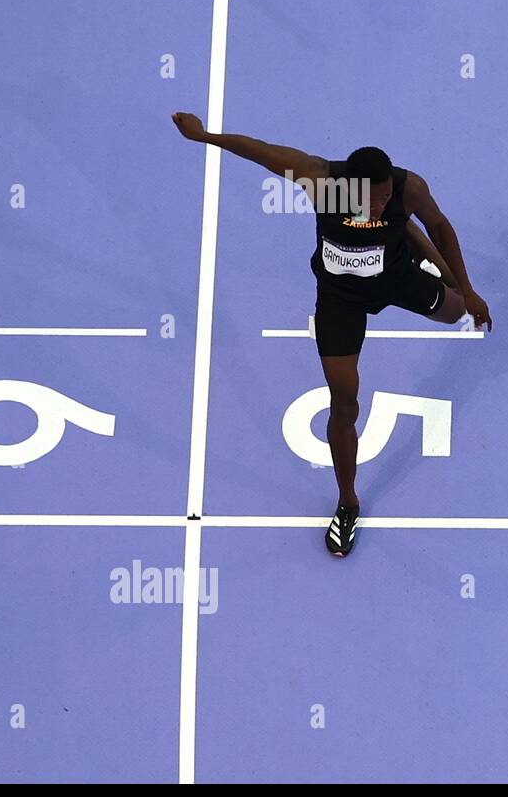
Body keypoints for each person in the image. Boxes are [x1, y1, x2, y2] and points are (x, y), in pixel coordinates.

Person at [172, 111, 490, 556]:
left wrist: (469, 289)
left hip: (398, 276)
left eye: (383, 200)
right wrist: (205, 136)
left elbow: (440, 224)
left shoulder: (408, 188)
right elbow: (261, 151)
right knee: (344, 403)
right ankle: (347, 503)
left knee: (453, 309)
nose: (375, 205)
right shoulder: (321, 180)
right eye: (369, 201)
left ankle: (417, 252)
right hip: (340, 297)